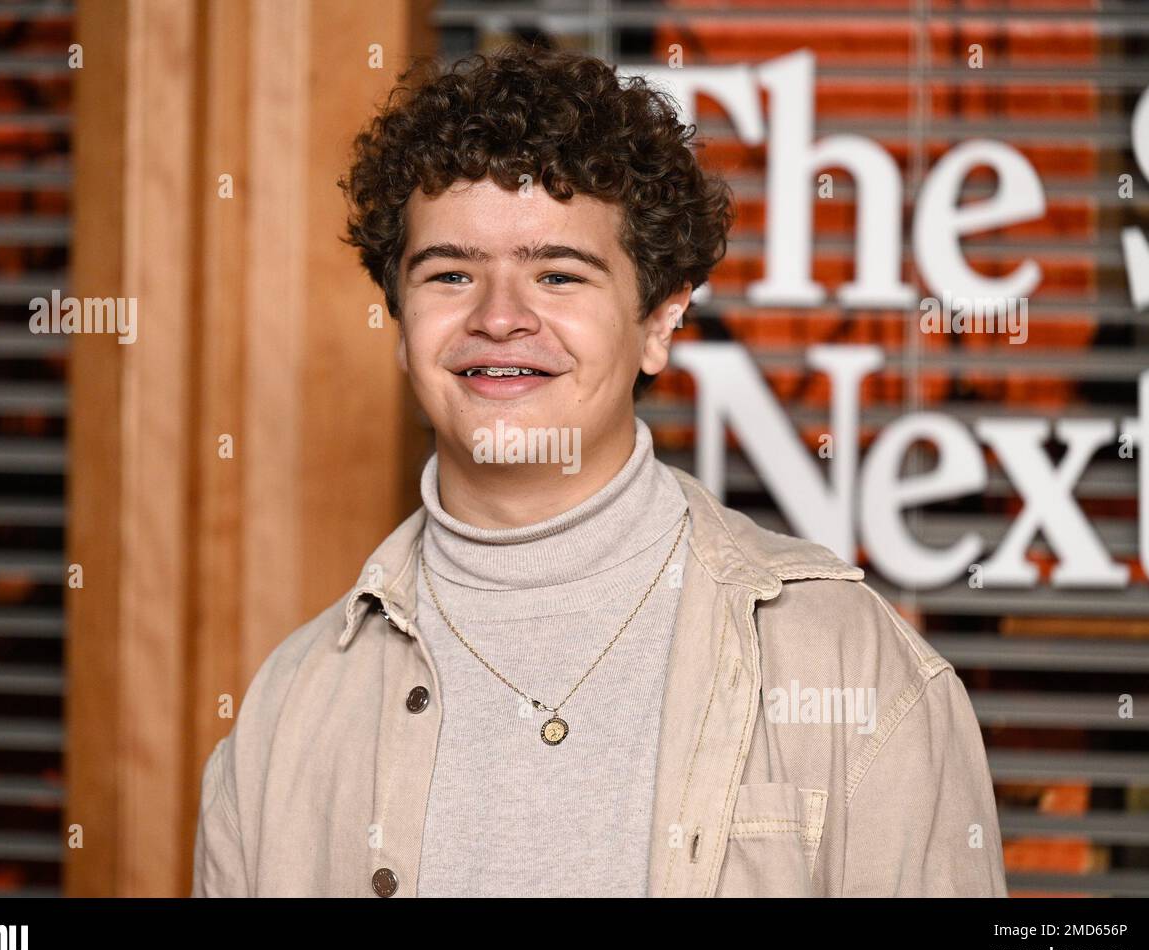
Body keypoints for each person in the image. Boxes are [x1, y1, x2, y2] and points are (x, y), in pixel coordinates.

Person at [191, 43, 1006, 898]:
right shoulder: (289, 710)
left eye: (557, 274)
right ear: (400, 324)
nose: (499, 316)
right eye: (451, 273)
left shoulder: (848, 668)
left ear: (658, 320)